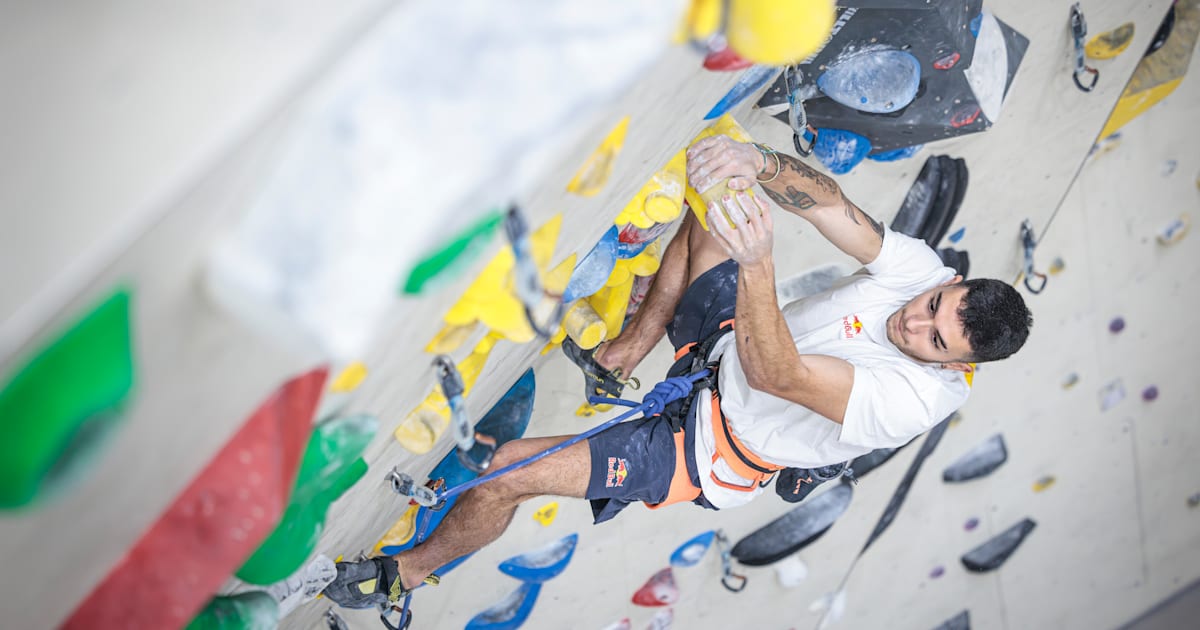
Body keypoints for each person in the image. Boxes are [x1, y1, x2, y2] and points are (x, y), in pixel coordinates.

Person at [323, 135, 1032, 609]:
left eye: (935, 340)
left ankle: (405, 573)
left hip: (707, 448)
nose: (914, 324)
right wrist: (758, 162)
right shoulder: (922, 275)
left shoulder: (914, 402)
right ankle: (628, 349)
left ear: (956, 365)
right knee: (720, 204)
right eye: (932, 306)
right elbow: (831, 205)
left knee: (508, 470)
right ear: (949, 283)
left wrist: (759, 265)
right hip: (726, 353)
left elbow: (778, 374)